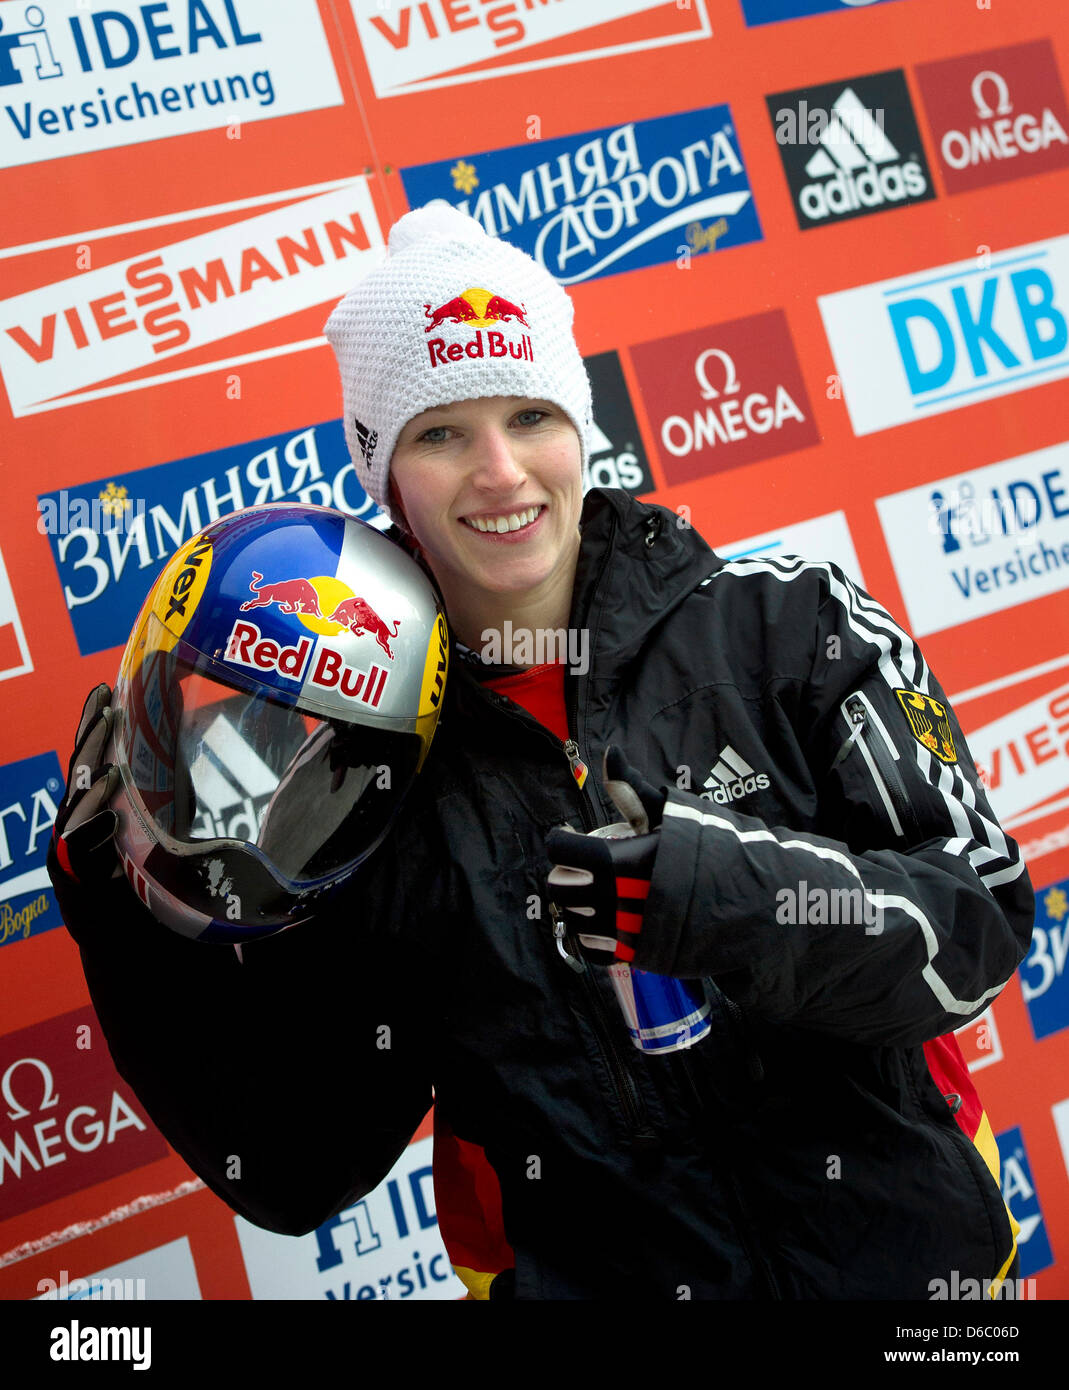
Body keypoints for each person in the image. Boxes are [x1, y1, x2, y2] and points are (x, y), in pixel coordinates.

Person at [50, 202, 1034, 1301]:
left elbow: (978, 922)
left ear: (580, 425)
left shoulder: (789, 625)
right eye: (439, 433)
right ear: (383, 472)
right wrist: (130, 922)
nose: (501, 471)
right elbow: (293, 1168)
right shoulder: (350, 759)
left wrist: (713, 891)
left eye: (530, 416)